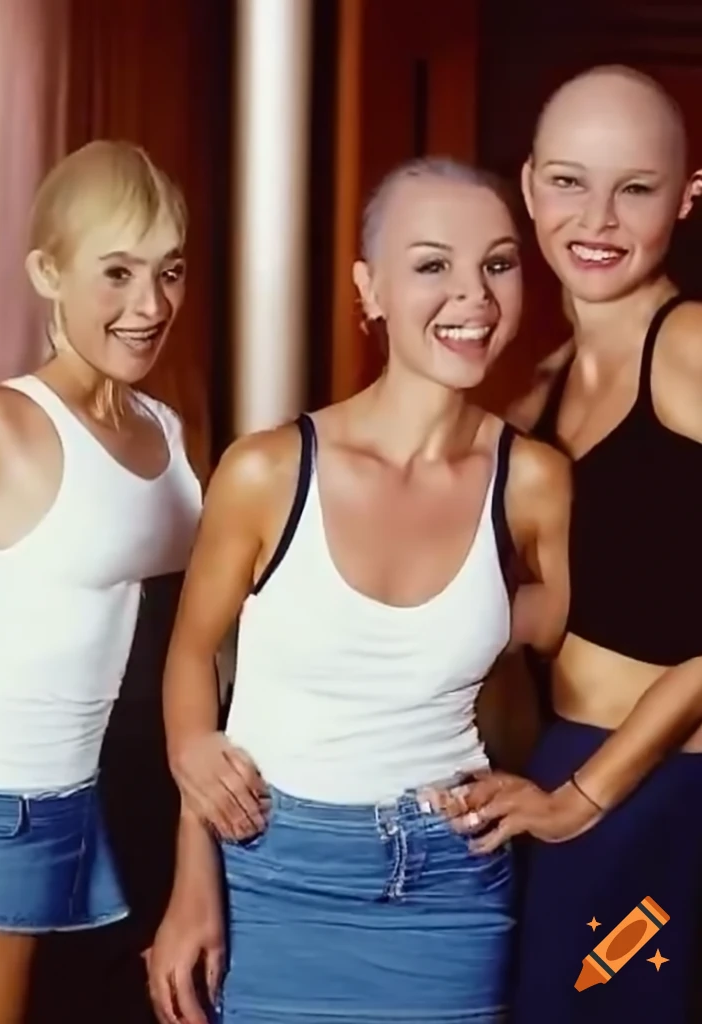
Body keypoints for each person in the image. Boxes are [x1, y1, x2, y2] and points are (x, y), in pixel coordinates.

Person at [147, 157, 572, 1024]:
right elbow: (195, 663)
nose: (474, 296)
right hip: (272, 867)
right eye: (432, 265)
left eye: (497, 264)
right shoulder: (267, 470)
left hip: (454, 886)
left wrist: (560, 800)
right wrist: (194, 877)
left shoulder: (534, 485)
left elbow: (581, 654)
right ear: (369, 289)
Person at [0, 140, 202, 1024]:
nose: (151, 304)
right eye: (119, 272)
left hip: (96, 802)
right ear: (46, 271)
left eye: (170, 272)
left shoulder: (167, 432)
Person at [437, 66, 702, 1023]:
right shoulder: (537, 389)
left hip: (667, 784)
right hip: (566, 760)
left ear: (687, 193)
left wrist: (588, 796)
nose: (596, 217)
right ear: (528, 183)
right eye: (567, 181)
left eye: (635, 187)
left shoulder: (691, 347)